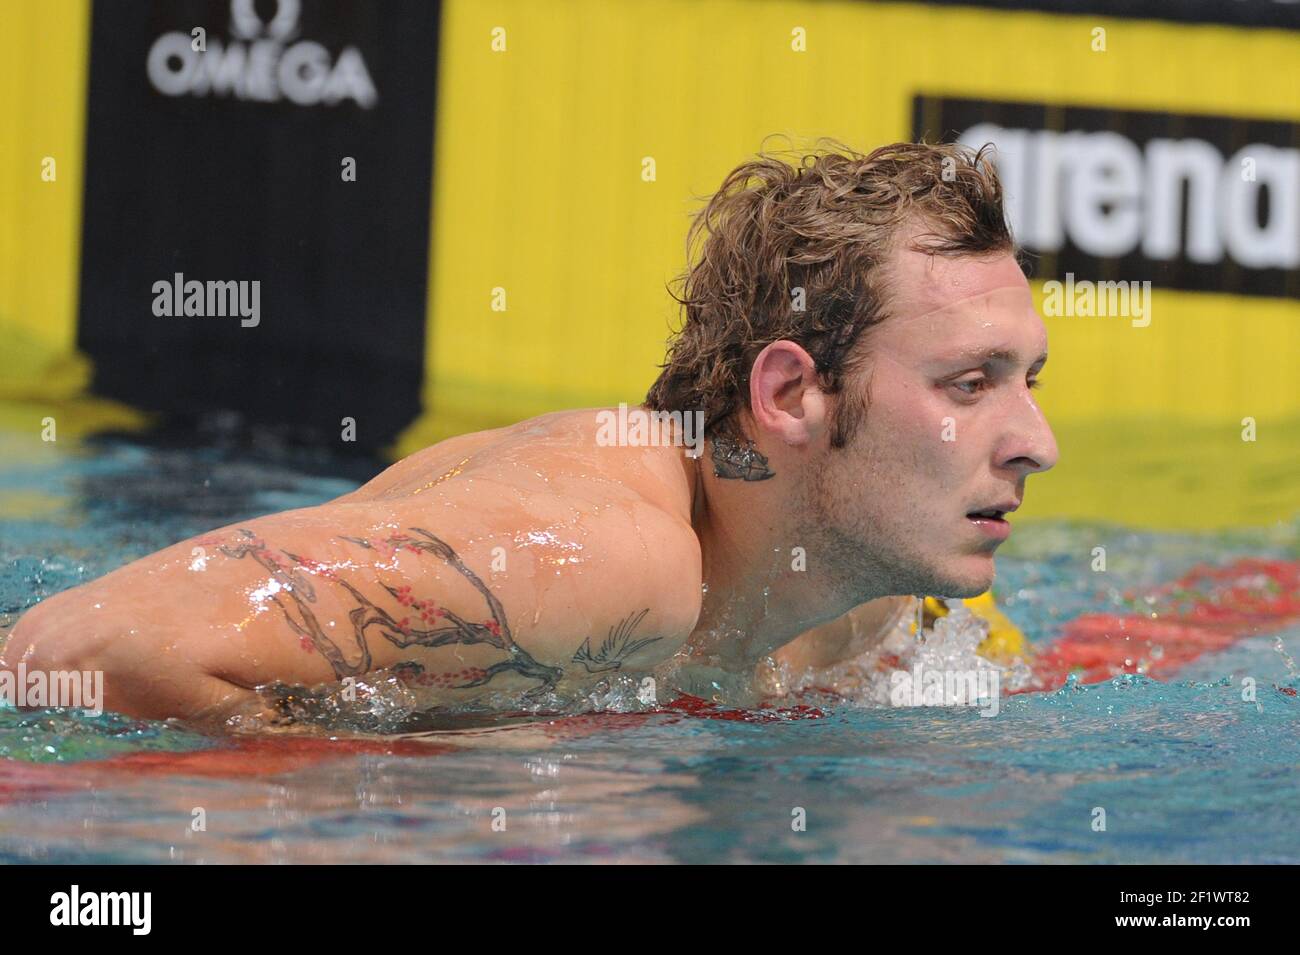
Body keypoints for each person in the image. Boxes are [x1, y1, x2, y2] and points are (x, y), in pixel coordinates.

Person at [0, 139, 1057, 729]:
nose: (1035, 441)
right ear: (788, 395)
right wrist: (364, 804)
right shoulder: (608, 559)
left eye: (1027, 381)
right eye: (970, 381)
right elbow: (71, 653)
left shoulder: (866, 590)